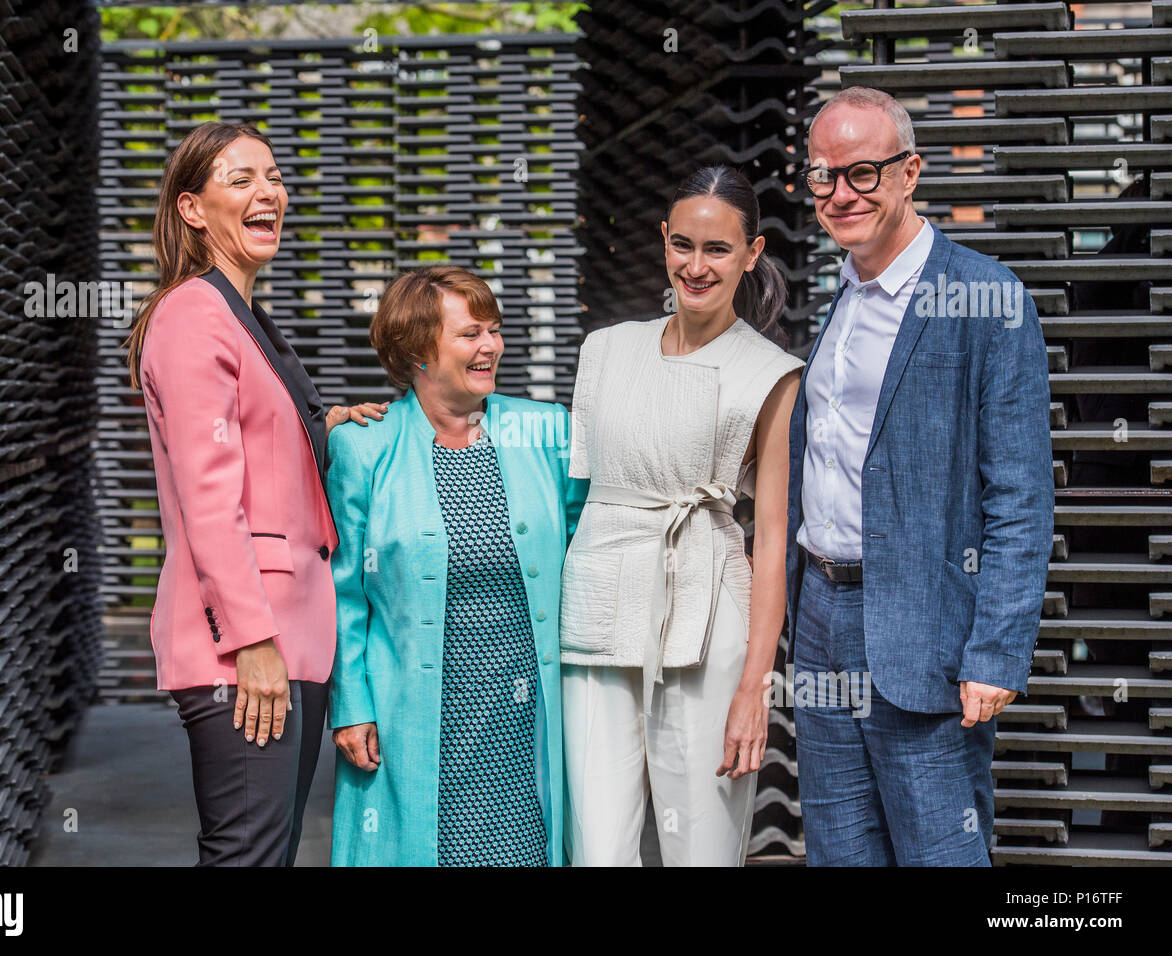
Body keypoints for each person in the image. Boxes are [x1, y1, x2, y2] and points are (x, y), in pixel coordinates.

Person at [786, 87, 1053, 866]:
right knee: (840, 850)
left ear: (911, 173)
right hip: (821, 624)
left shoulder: (987, 298)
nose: (841, 193)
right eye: (823, 176)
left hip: (923, 630)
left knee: (941, 850)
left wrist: (997, 653)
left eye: (863, 172)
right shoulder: (839, 297)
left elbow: (1021, 498)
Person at [128, 122, 387, 865]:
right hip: (245, 648)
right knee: (246, 855)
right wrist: (250, 641)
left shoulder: (243, 318)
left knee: (264, 855)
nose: (268, 191)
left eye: (272, 177)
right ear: (193, 210)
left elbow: (252, 448)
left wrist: (325, 426)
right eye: (240, 180)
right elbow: (209, 497)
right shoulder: (190, 316)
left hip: (291, 635)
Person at [560, 166, 803, 866]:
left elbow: (773, 535)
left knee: (702, 847)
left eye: (719, 250)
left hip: (709, 612)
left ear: (753, 254)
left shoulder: (773, 372)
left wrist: (756, 687)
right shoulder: (603, 349)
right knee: (597, 851)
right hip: (598, 606)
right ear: (664, 241)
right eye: (684, 246)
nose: (697, 267)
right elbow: (575, 487)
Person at [328, 266, 586, 866]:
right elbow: (343, 596)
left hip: (521, 715)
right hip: (411, 715)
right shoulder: (364, 446)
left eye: (494, 331)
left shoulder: (546, 434)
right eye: (470, 334)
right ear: (418, 350)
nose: (491, 345)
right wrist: (352, 706)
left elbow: (586, 543)